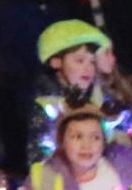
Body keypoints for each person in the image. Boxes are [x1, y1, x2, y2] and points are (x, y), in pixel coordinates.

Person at [27, 18, 117, 164]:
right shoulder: (47, 106)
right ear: (56, 62)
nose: (88, 68)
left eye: (92, 62)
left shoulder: (100, 99)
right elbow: (38, 157)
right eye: (79, 61)